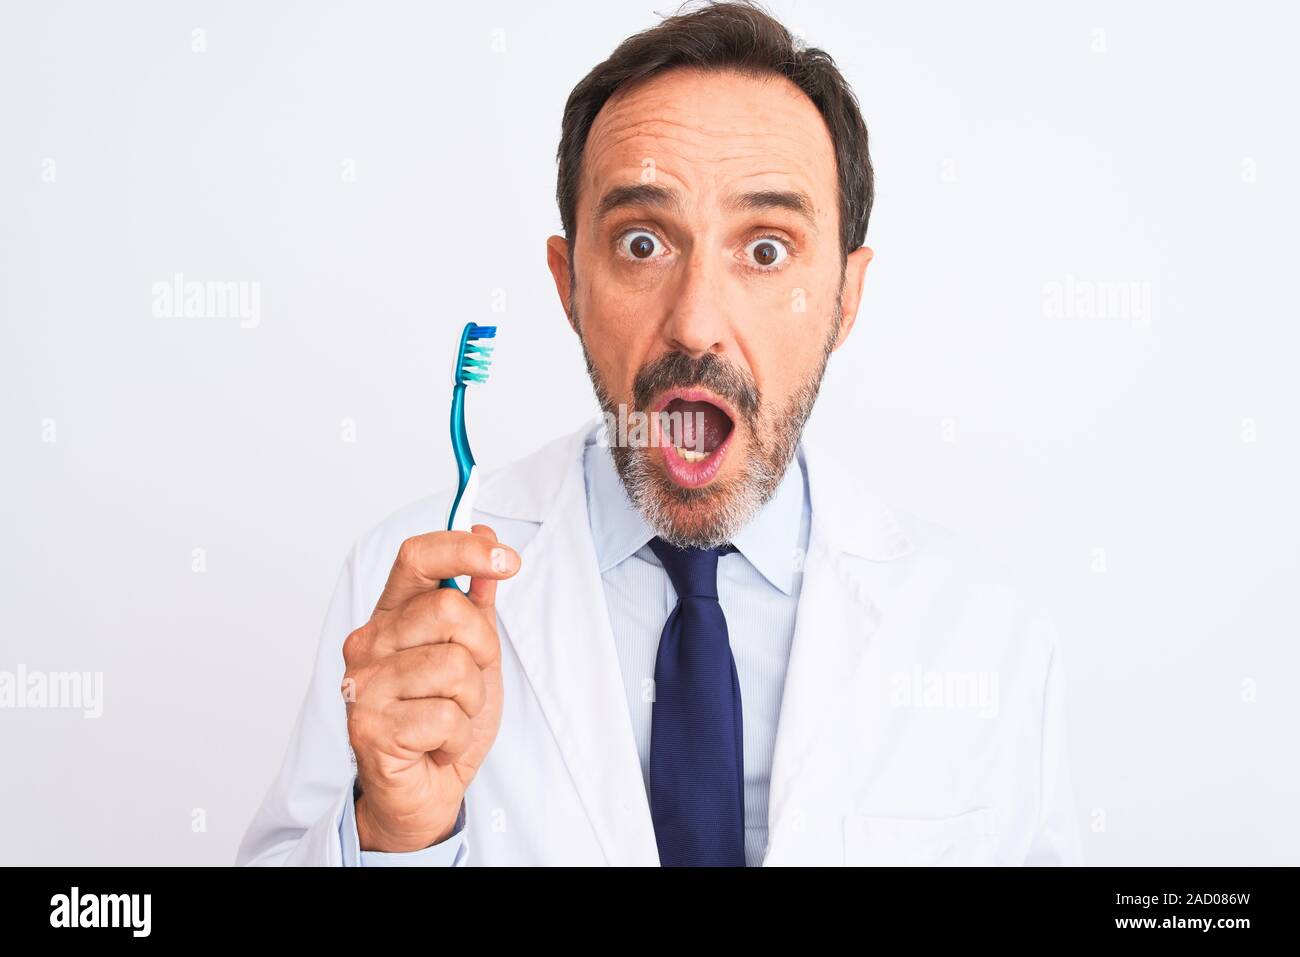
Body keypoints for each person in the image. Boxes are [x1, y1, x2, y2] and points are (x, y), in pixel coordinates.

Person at [237, 0, 1084, 867]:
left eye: (765, 251)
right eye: (642, 243)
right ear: (569, 284)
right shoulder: (406, 591)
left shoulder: (988, 636)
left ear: (845, 296)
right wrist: (393, 833)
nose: (695, 323)